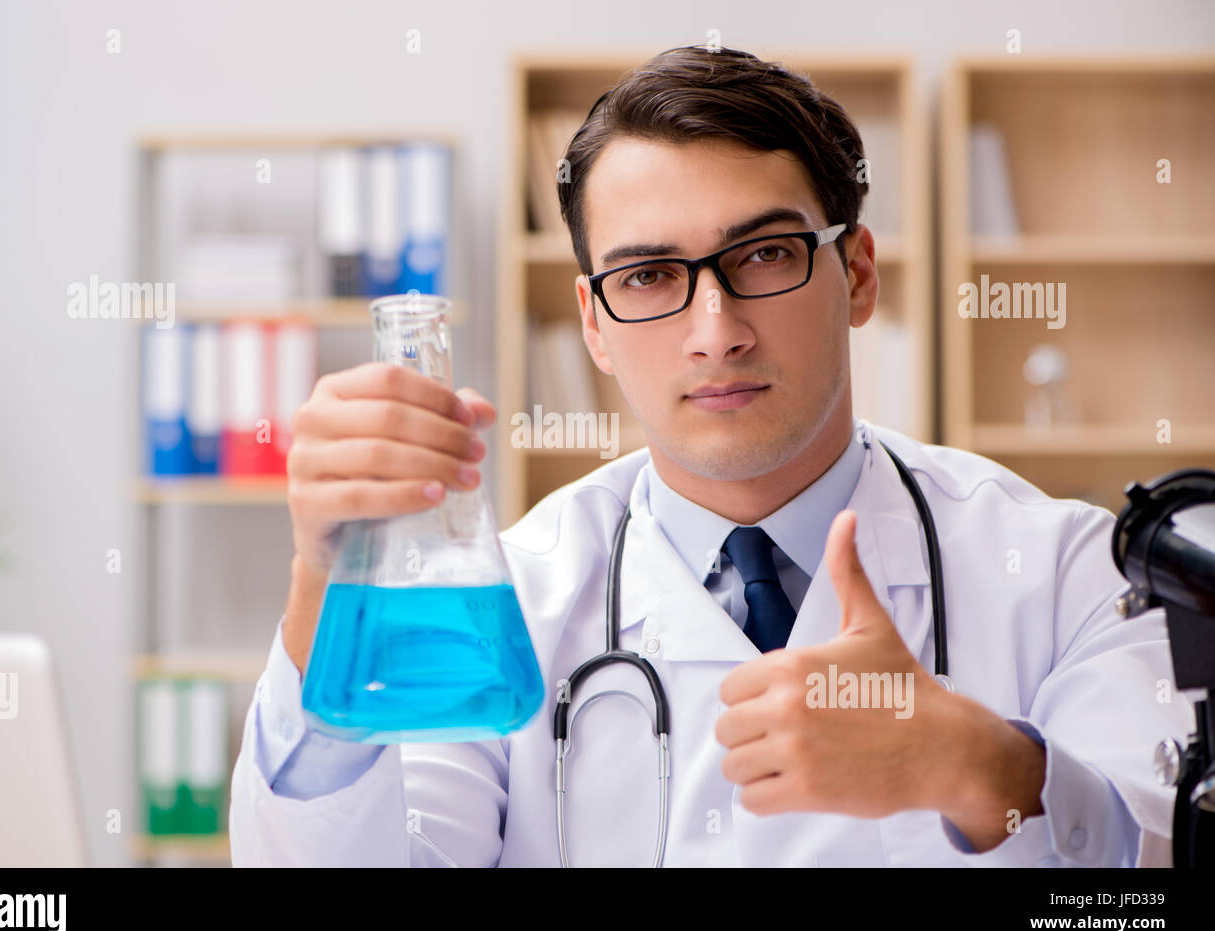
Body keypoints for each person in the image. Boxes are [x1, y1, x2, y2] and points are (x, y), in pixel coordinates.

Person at [229, 45, 1192, 866]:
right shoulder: (512, 607)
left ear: (856, 274)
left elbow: (1146, 872)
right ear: (594, 326)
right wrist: (328, 578)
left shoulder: (1068, 570)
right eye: (648, 275)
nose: (714, 330)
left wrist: (983, 771)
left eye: (765, 254)